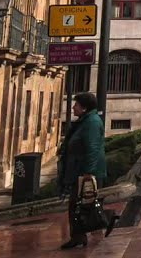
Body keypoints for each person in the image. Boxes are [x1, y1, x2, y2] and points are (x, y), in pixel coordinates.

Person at [60, 92, 112, 250]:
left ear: (84, 108)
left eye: (76, 104)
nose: (73, 107)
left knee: (79, 203)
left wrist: (88, 172)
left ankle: (101, 223)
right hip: (80, 169)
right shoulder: (86, 121)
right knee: (79, 204)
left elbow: (92, 148)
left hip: (85, 171)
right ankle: (79, 235)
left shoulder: (92, 123)